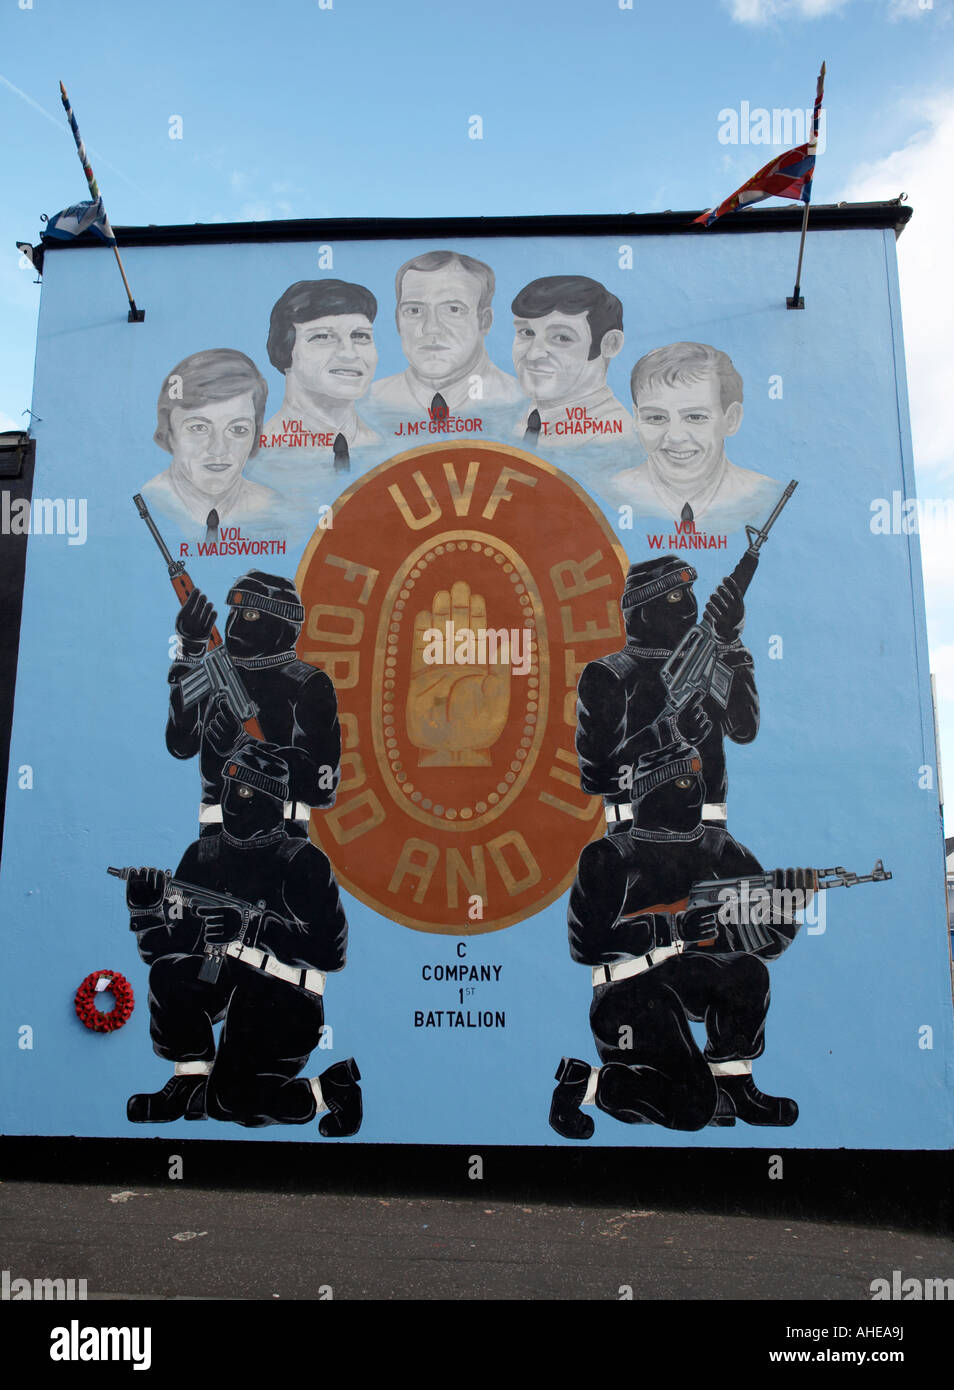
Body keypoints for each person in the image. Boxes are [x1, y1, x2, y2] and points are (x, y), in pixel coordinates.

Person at [549, 738, 807, 1138]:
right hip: (626, 993)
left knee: (747, 973)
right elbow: (585, 944)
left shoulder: (720, 848)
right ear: (650, 794)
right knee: (690, 1107)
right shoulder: (610, 857)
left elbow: (770, 943)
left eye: (696, 780)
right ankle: (589, 1084)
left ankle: (735, 1086)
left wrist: (783, 907)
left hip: (686, 978)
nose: (697, 792)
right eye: (683, 784)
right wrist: (670, 929)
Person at [124, 745, 362, 1134]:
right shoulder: (203, 855)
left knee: (233, 1103)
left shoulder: (301, 861)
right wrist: (147, 913)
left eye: (248, 793)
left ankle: (328, 1091)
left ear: (273, 802)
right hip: (225, 979)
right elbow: (165, 955)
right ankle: (190, 1082)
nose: (235, 801)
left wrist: (253, 929)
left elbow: (332, 951)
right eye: (231, 786)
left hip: (284, 995)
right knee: (170, 976)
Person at [576, 555, 759, 830]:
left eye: (689, 592)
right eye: (674, 596)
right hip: (634, 837)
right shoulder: (609, 675)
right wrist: (668, 732)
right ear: (641, 610)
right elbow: (597, 778)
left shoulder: (708, 661)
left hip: (710, 837)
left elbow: (745, 730)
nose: (689, 607)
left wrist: (731, 644)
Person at [166, 571, 340, 835]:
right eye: (234, 612)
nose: (234, 626)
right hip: (214, 832)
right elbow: (180, 745)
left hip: (282, 835)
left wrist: (243, 746)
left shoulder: (309, 683)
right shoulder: (217, 671)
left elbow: (321, 786)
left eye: (250, 616)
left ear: (282, 624)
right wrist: (190, 651)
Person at [611, 342, 780, 531]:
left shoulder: (766, 497)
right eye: (656, 417)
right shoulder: (614, 493)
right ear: (637, 419)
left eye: (695, 417)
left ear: (731, 419)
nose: (675, 436)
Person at [141, 349, 280, 540]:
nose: (218, 449)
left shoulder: (274, 509)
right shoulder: (150, 501)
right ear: (169, 433)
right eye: (198, 428)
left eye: (238, 430)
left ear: (255, 435)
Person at [369, 250, 523, 422]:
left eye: (453, 309)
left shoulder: (521, 402)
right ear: (398, 321)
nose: (431, 328)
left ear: (485, 321)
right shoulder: (370, 403)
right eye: (414, 310)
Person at [258, 279, 381, 471]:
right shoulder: (258, 455)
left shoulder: (383, 448)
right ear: (285, 349)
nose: (349, 354)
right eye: (323, 337)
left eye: (360, 336)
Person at [510, 275, 633, 446]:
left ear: (610, 344)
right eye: (527, 333)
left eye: (561, 337)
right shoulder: (519, 419)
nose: (533, 354)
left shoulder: (615, 441)